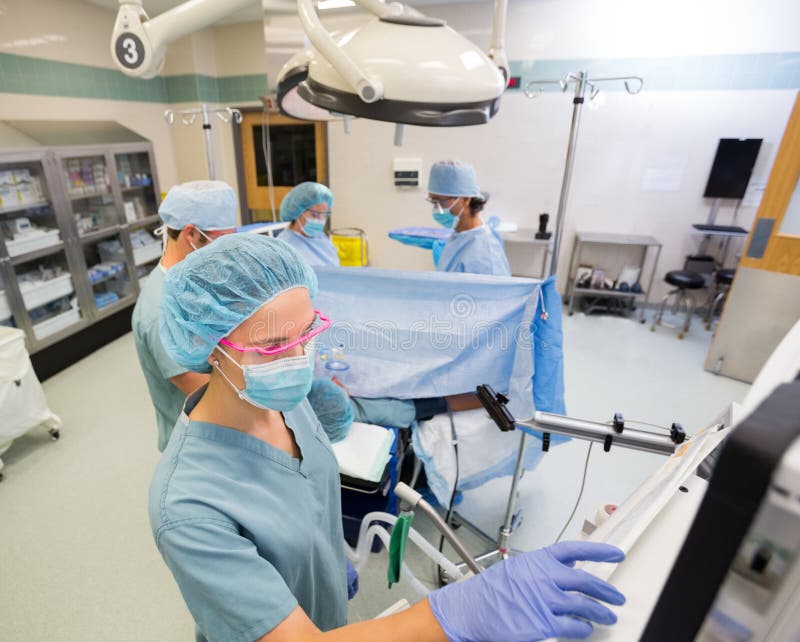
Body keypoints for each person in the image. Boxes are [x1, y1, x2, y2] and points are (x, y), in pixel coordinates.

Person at [150, 232, 626, 642]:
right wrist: (457, 613)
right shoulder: (189, 507)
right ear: (209, 346)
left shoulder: (283, 399)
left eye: (307, 332)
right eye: (275, 345)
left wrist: (327, 560)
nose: (299, 358)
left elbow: (307, 493)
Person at [132, 180, 236, 451]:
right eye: (223, 240)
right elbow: (211, 397)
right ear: (192, 234)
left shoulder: (195, 280)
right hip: (199, 442)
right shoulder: (161, 310)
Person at [427, 160, 511, 276]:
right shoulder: (460, 234)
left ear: (466, 199)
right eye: (433, 201)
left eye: (441, 201)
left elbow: (493, 293)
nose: (436, 208)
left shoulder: (485, 256)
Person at [278, 181, 340, 266]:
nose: (320, 220)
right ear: (298, 212)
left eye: (324, 215)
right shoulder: (284, 247)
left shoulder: (320, 237)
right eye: (315, 214)